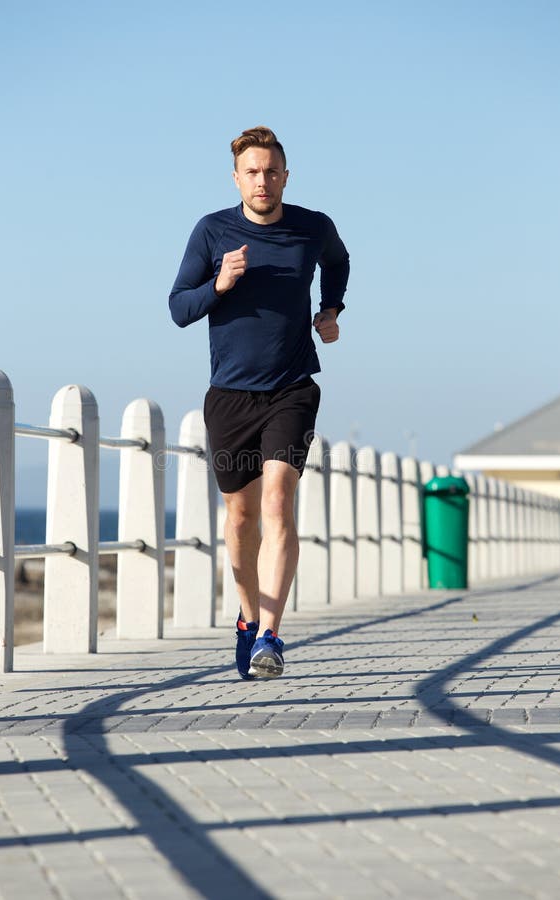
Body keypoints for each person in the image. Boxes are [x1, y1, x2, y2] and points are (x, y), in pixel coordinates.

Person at [169, 126, 349, 679]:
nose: (262, 180)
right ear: (237, 178)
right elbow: (178, 308)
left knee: (276, 502)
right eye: (252, 172)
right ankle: (248, 619)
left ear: (286, 176)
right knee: (241, 517)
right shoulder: (212, 231)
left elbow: (338, 262)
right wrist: (219, 284)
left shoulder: (312, 227)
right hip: (229, 397)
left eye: (271, 171)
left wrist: (331, 310)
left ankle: (271, 636)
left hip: (292, 389)